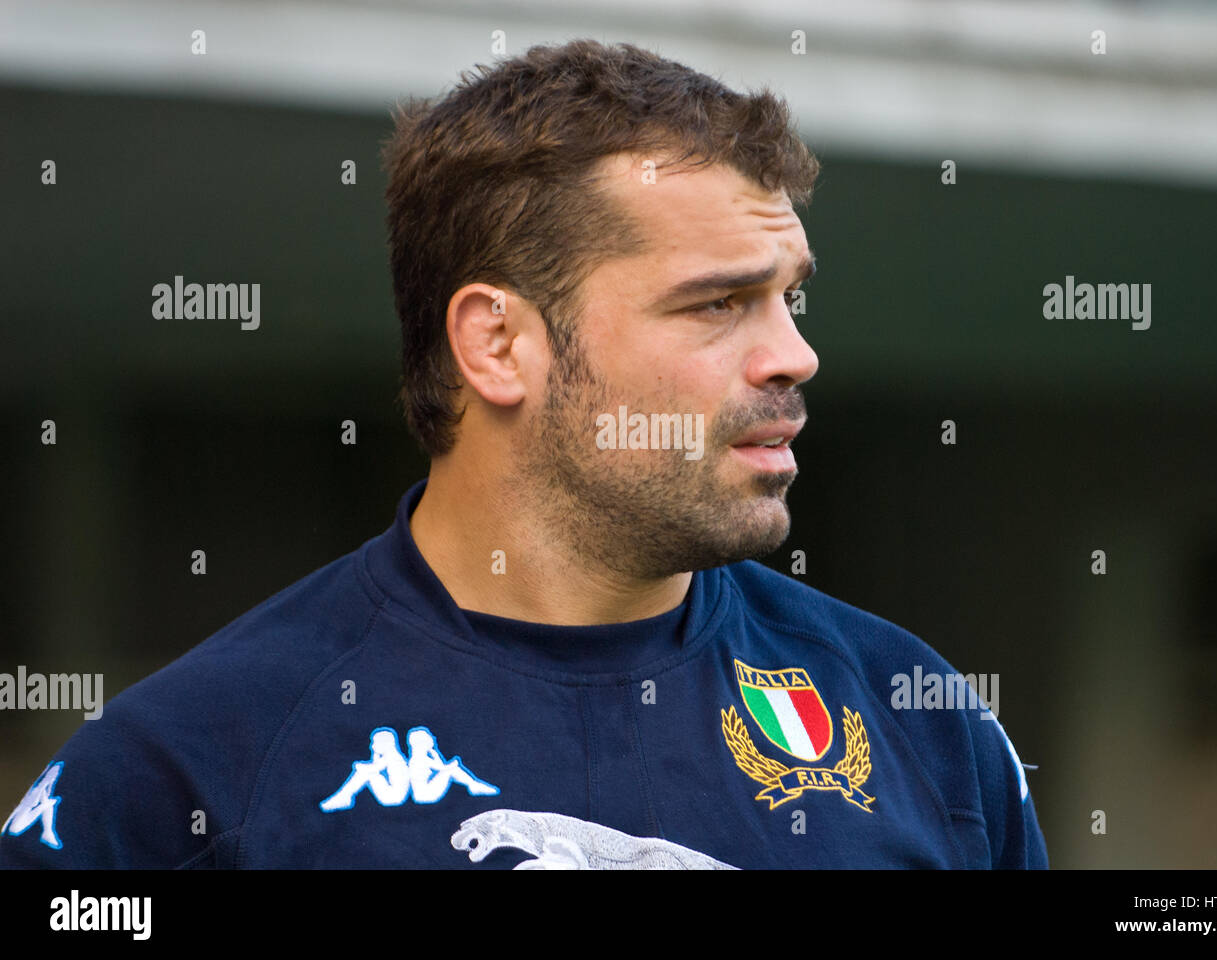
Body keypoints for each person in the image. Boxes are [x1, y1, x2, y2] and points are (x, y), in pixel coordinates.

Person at [0, 38, 1046, 869]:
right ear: (499, 344)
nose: (794, 355)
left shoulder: (917, 715)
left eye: (789, 296)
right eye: (718, 303)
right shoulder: (187, 767)